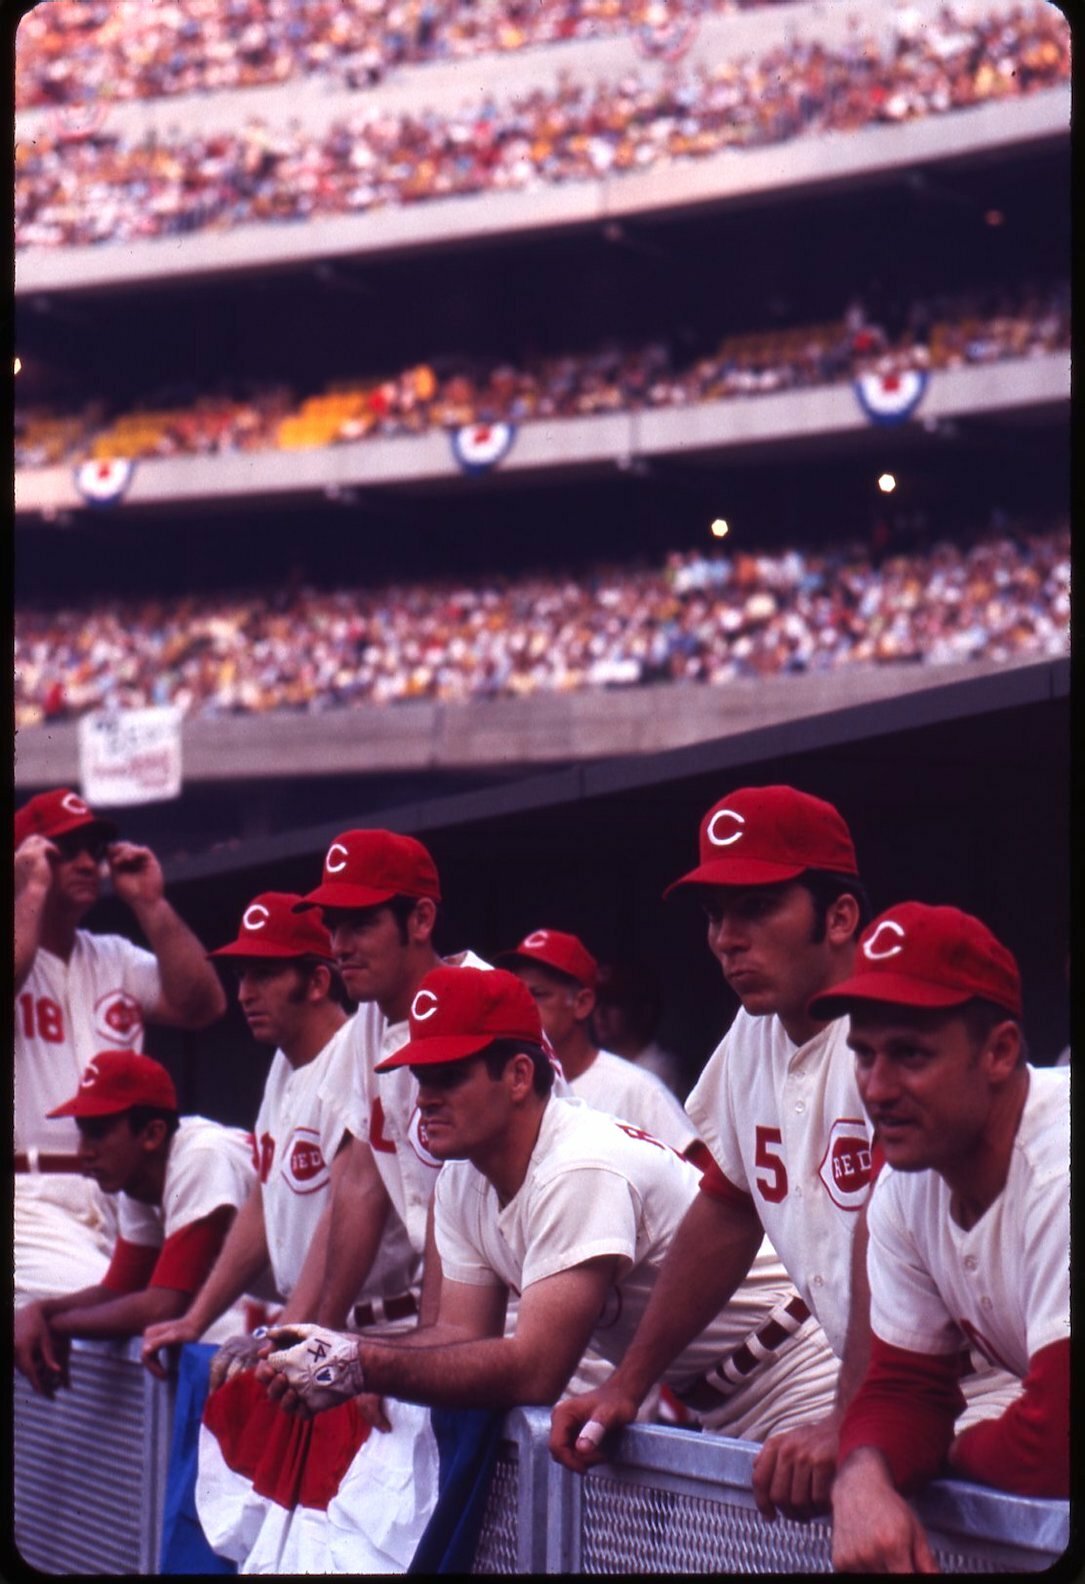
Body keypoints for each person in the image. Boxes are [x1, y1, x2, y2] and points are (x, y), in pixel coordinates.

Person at [549, 783, 1016, 1518]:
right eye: (714, 914)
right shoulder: (752, 1036)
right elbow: (728, 1208)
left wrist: (851, 1417)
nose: (727, 937)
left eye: (757, 907)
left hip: (989, 1397)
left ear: (838, 917)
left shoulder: (900, 1039)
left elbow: (888, 1237)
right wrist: (630, 1381)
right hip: (900, 1402)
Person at [257, 965, 837, 1446]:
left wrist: (363, 1365)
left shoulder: (576, 1163)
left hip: (796, 1368)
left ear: (517, 1076)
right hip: (712, 1398)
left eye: (448, 1075)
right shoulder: (462, 1180)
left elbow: (536, 1371)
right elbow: (457, 1334)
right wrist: (330, 1352)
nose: (424, 1097)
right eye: (418, 1075)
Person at [815, 903, 1069, 1571]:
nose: (875, 1088)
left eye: (908, 1054)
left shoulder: (1060, 1165)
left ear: (998, 1051)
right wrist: (862, 1474)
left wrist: (953, 1451)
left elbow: (1058, 1446)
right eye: (862, 1055)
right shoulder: (909, 1183)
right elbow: (904, 1391)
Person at [140, 891, 418, 1386]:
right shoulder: (284, 1065)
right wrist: (195, 1319)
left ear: (316, 981)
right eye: (241, 975)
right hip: (323, 1332)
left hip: (385, 1332)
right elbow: (260, 1206)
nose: (245, 993)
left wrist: (294, 1328)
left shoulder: (355, 1052)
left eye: (264, 974)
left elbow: (342, 1209)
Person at [14, 787, 227, 1299]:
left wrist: (150, 905)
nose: (87, 862)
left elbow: (204, 1005)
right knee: (117, 1315)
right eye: (65, 850)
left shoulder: (113, 957)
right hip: (30, 1198)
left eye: (94, 848)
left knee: (217, 1312)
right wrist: (30, 894)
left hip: (126, 1201)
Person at [14, 1050, 255, 1396]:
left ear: (152, 1133)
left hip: (350, 1298)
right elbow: (118, 1290)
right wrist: (38, 1309)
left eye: (97, 1133)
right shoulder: (141, 1178)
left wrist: (52, 1324)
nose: (84, 1150)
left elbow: (163, 1307)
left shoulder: (200, 1155)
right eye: (82, 1133)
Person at [498, 927, 700, 1156]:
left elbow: (699, 1174)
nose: (522, 1005)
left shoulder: (637, 1089)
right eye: (516, 993)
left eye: (537, 994)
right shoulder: (507, 1090)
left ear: (582, 1003)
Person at [592, 958, 686, 1097]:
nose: (601, 1012)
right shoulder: (601, 1068)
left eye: (614, 1001)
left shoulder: (660, 1069)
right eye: (598, 1001)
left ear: (643, 1011)